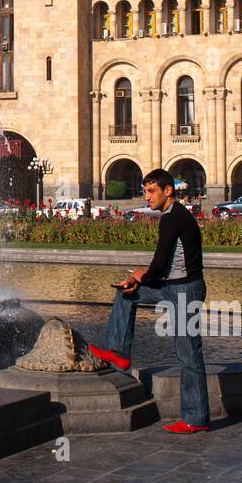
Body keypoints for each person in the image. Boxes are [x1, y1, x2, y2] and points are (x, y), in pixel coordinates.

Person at [89, 168, 210, 433]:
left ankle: (196, 418)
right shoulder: (172, 216)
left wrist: (141, 275)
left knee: (188, 354)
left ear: (168, 191)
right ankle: (119, 352)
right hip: (172, 286)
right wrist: (138, 279)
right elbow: (161, 268)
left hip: (185, 291)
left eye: (152, 191)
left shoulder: (173, 218)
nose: (147, 196)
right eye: (145, 190)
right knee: (126, 293)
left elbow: (158, 264)